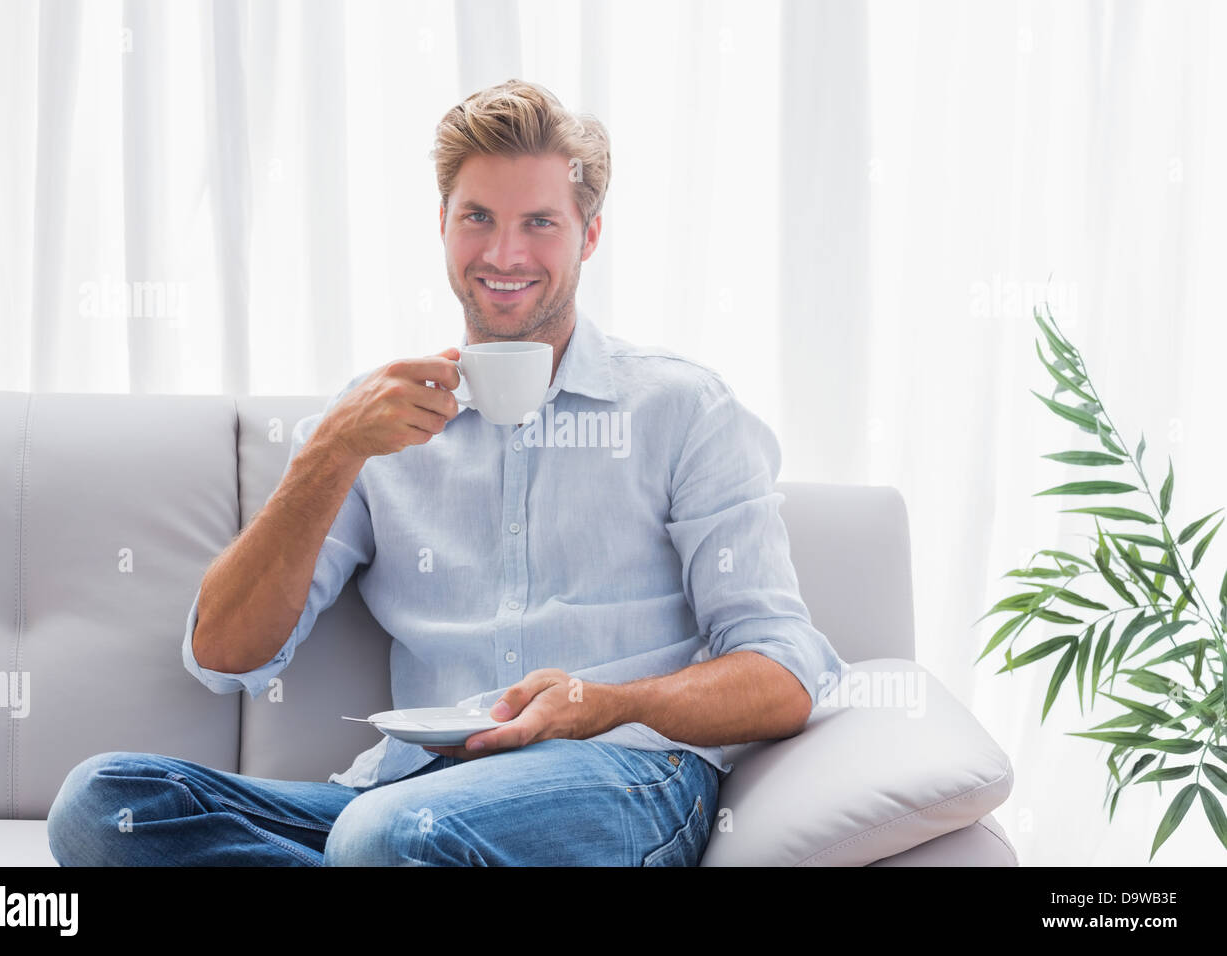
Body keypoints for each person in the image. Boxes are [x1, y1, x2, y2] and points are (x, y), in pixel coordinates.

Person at [46, 78, 846, 867]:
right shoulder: (373, 423)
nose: (505, 254)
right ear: (441, 224)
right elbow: (225, 655)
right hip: (411, 789)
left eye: (540, 222)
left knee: (385, 839)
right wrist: (332, 451)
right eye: (478, 218)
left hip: (625, 775)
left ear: (589, 236)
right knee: (103, 806)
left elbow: (785, 670)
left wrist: (602, 704)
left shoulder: (683, 408)